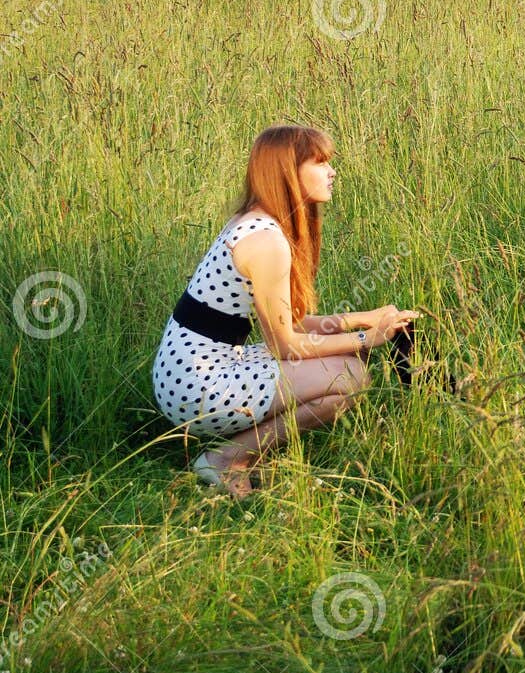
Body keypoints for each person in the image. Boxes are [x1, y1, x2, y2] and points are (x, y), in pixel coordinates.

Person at [150, 123, 419, 499]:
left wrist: (364, 319)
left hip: (191, 371)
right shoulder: (265, 240)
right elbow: (286, 346)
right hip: (198, 386)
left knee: (345, 368)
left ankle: (233, 455)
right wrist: (365, 338)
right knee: (350, 376)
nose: (332, 171)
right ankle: (226, 459)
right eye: (320, 162)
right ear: (288, 173)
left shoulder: (256, 223)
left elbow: (287, 324)